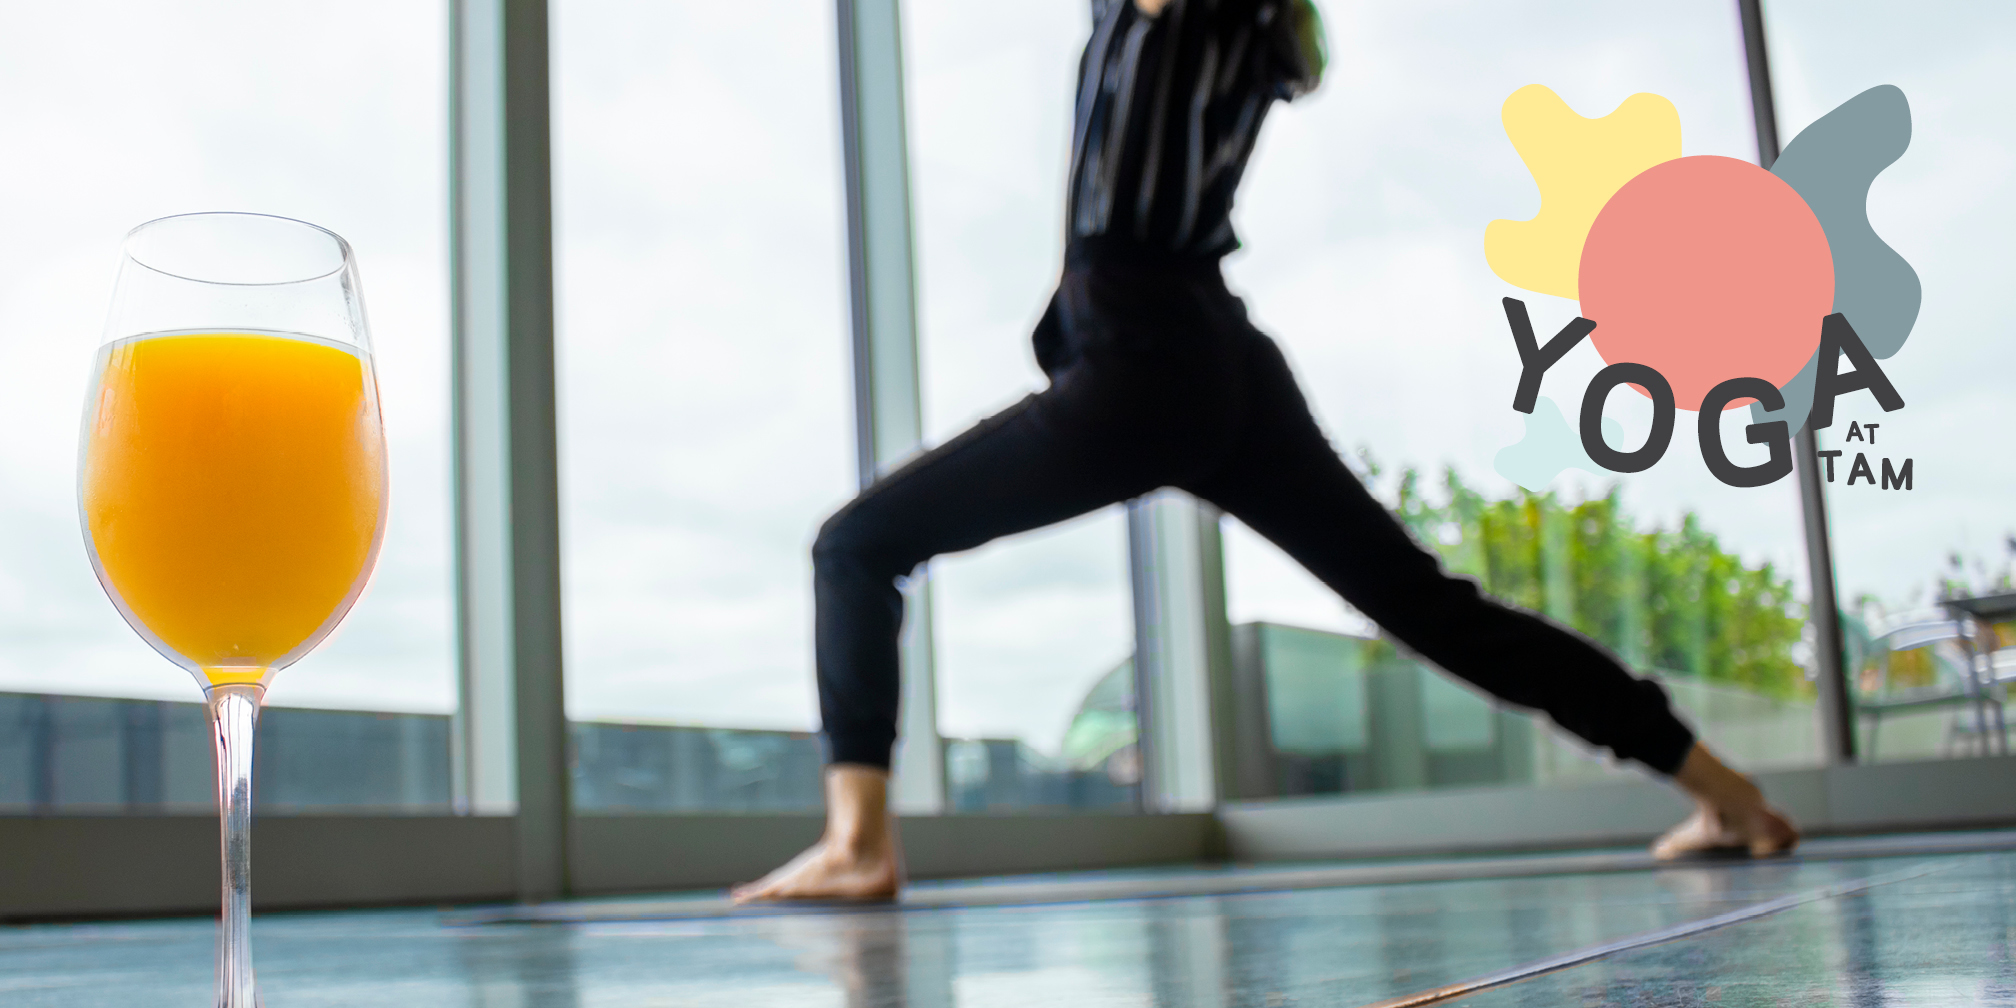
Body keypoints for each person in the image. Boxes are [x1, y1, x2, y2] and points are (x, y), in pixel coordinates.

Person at [733, 0, 1798, 903]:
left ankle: (859, 842)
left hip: (1144, 357)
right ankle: (1730, 797)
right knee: (1432, 606)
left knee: (856, 547)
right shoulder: (1251, 31)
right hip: (1219, 359)